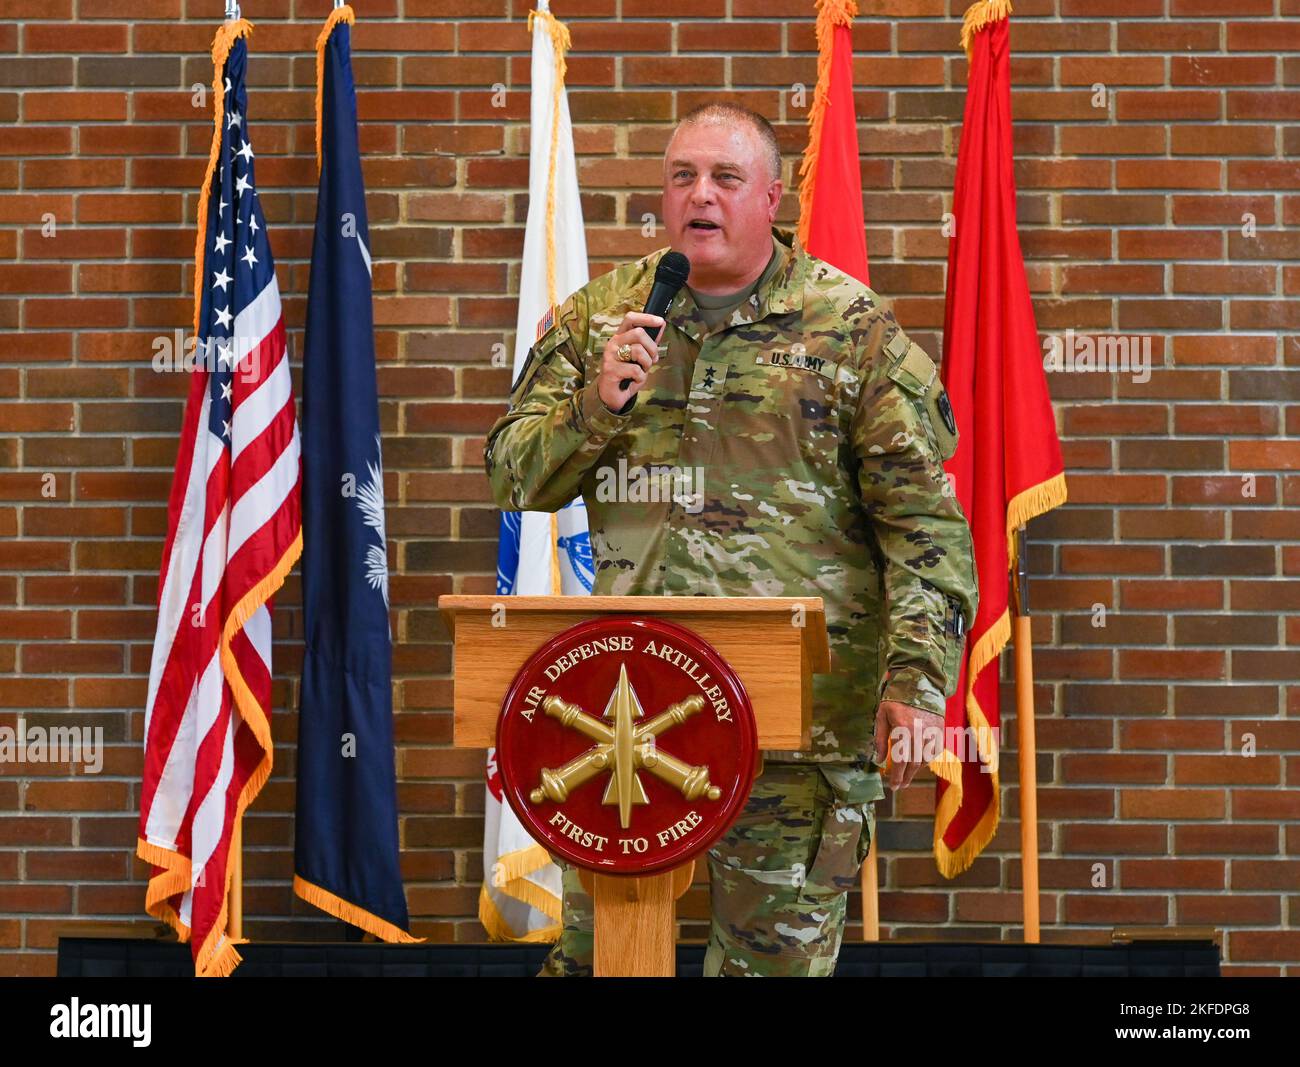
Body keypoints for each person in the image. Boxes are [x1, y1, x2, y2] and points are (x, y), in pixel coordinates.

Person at [484, 102, 978, 977]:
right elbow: (513, 478)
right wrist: (594, 408)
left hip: (800, 728)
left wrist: (917, 684)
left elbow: (926, 530)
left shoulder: (853, 330)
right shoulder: (601, 320)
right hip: (621, 721)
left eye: (724, 178)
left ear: (772, 198)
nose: (699, 196)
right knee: (602, 962)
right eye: (682, 177)